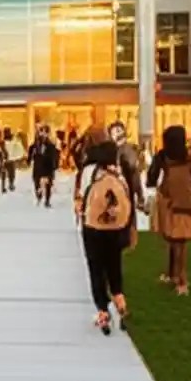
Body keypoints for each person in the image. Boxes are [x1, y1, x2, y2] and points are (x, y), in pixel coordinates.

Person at [74, 140, 139, 335]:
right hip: (117, 228)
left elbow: (79, 198)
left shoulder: (89, 172)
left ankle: (102, 311)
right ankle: (120, 302)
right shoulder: (121, 173)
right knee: (114, 265)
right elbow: (130, 200)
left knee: (96, 268)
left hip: (93, 227)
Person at [156, 125, 191, 295]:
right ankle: (179, 279)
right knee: (181, 244)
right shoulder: (189, 159)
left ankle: (176, 277)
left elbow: (151, 178)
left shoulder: (163, 157)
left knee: (171, 240)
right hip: (186, 204)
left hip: (169, 203)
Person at [29, 125, 60, 207]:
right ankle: (39, 195)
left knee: (48, 183)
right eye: (42, 132)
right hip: (39, 166)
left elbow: (55, 155)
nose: (43, 134)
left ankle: (46, 200)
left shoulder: (51, 144)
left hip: (47, 166)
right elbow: (31, 152)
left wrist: (55, 165)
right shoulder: (36, 144)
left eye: (45, 132)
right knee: (37, 181)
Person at [2, 128, 25, 193]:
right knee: (4, 173)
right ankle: (3, 186)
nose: (6, 133)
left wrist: (18, 156)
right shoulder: (2, 139)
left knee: (11, 173)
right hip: (4, 159)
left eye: (7, 132)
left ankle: (11, 184)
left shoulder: (13, 139)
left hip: (10, 159)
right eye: (5, 132)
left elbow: (19, 147)